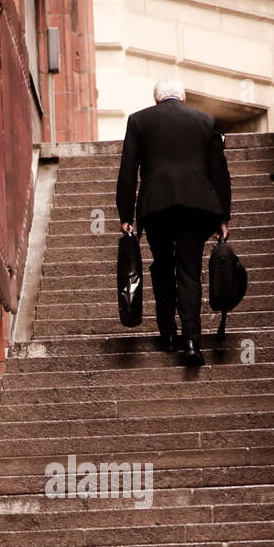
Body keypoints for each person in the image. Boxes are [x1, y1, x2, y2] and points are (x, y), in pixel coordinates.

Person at [116, 78, 231, 366]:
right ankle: (192, 342)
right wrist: (223, 216)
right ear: (184, 97)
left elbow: (128, 170)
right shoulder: (205, 121)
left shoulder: (139, 121)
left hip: (156, 206)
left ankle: (168, 333)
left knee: (163, 265)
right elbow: (220, 171)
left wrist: (125, 216)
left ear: (157, 100)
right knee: (189, 268)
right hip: (197, 206)